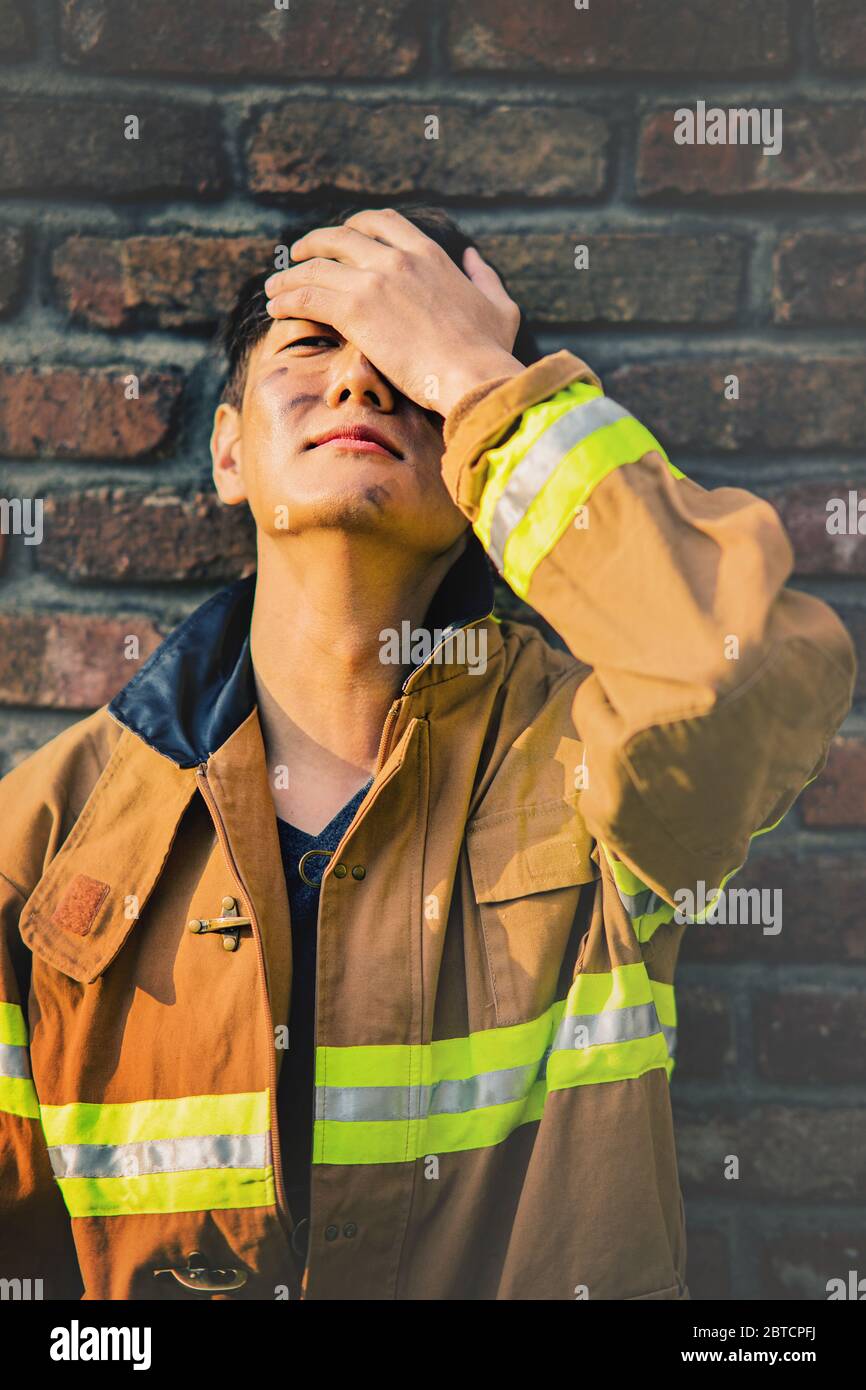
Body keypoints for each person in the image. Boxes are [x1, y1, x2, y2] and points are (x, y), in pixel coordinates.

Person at [0, 206, 855, 1301]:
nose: (362, 382)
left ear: (473, 451)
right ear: (227, 450)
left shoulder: (590, 758)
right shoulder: (43, 840)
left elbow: (739, 666)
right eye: (314, 343)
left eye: (406, 362)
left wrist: (477, 377)